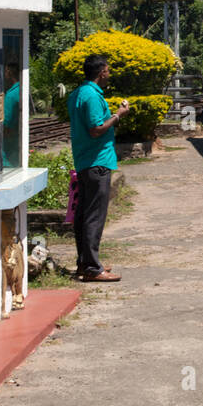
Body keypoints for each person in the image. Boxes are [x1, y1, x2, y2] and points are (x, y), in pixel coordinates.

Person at [68, 54, 129, 282]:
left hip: (85, 161)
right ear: (101, 71)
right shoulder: (92, 96)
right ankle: (93, 268)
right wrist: (118, 115)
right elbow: (96, 129)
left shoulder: (78, 93)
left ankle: (85, 263)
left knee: (84, 215)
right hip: (97, 162)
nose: (109, 74)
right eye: (108, 70)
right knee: (94, 216)